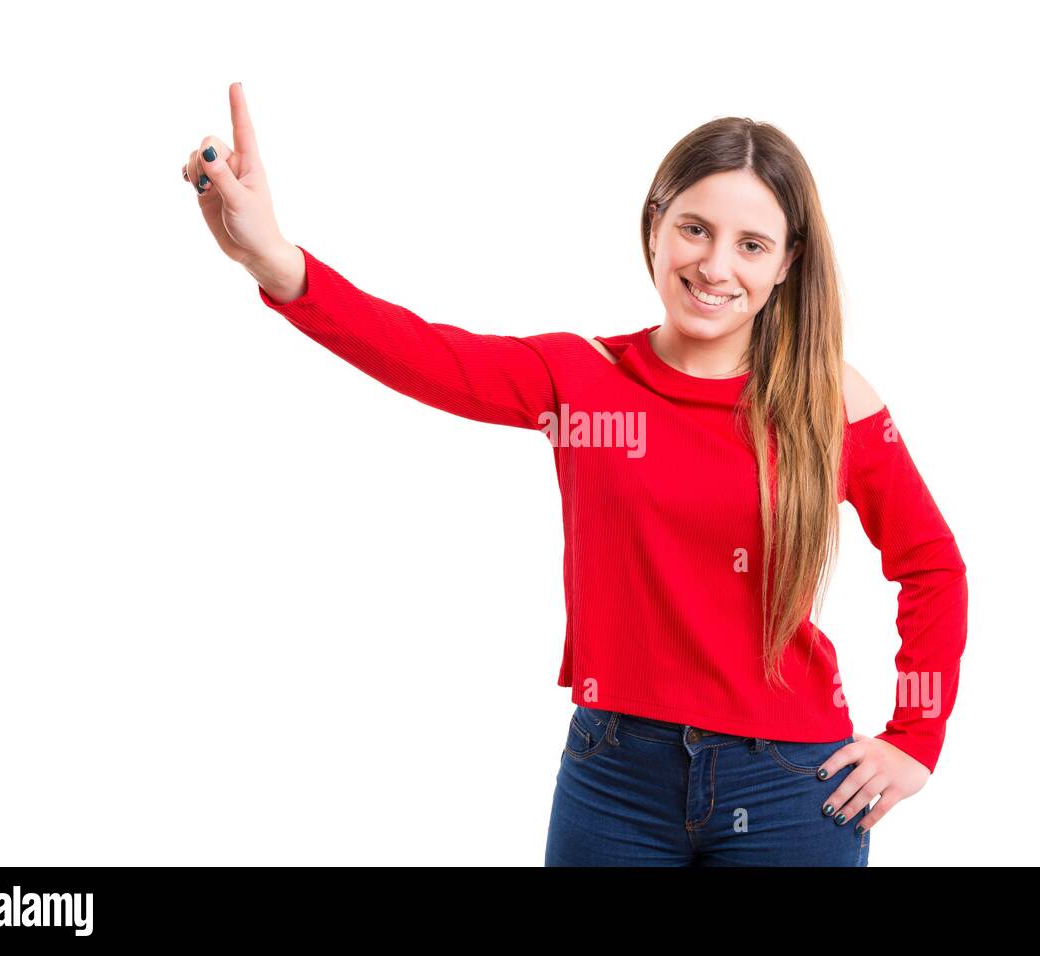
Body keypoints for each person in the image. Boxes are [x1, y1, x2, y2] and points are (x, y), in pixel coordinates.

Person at [183, 82, 969, 867]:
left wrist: (915, 739)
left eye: (752, 245)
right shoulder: (582, 378)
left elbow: (932, 564)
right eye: (694, 228)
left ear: (788, 262)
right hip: (615, 779)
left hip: (793, 786)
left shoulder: (829, 398)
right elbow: (421, 353)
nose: (715, 265)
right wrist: (274, 260)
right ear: (654, 228)